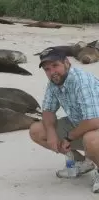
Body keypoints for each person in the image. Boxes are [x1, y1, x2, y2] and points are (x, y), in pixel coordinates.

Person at [29, 48, 99, 193]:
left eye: (55, 66)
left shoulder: (82, 81)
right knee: (37, 131)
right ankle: (83, 163)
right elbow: (48, 111)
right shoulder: (54, 83)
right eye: (47, 69)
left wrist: (69, 137)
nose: (52, 72)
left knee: (91, 140)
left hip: (94, 124)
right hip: (79, 125)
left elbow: (94, 120)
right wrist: (51, 133)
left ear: (67, 63)